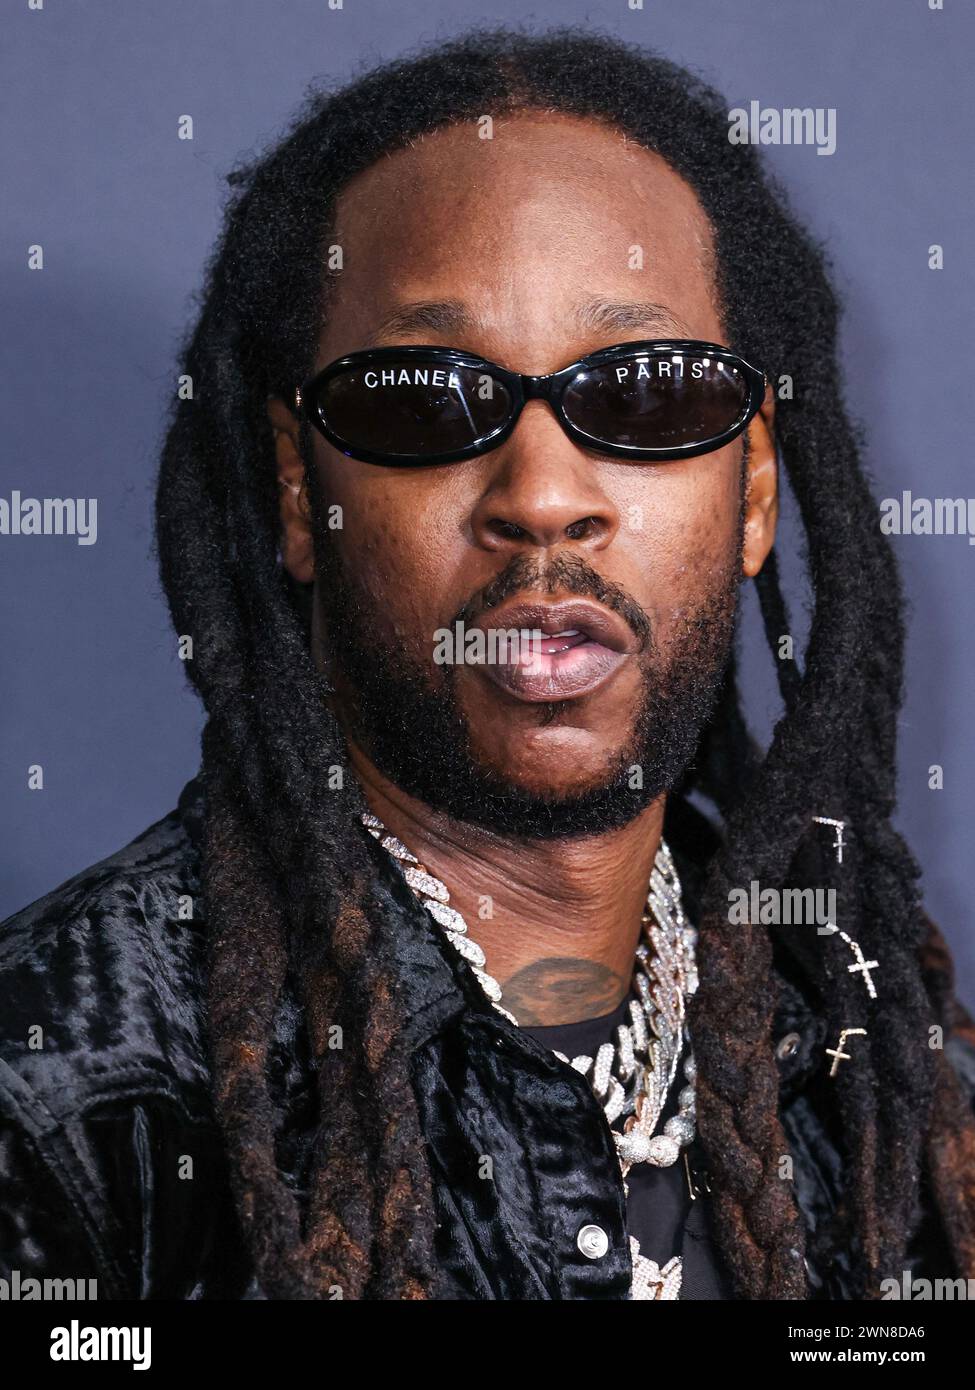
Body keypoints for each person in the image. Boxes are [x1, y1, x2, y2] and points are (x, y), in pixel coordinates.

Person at [2, 27, 974, 1302]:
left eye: (647, 391)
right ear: (300, 491)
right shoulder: (66, 1096)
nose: (544, 496)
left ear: (754, 490)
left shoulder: (873, 1063)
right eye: (425, 397)